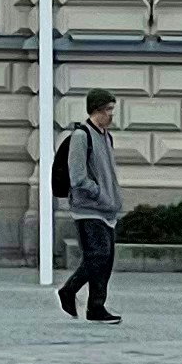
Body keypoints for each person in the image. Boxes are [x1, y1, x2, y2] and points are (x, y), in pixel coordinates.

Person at [51, 90, 122, 324]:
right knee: (97, 257)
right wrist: (100, 194)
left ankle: (96, 307)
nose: (111, 115)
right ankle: (68, 291)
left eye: (112, 110)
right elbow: (78, 176)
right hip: (89, 209)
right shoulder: (82, 136)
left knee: (106, 259)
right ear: (95, 110)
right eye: (107, 110)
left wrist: (112, 198)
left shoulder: (106, 137)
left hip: (106, 209)